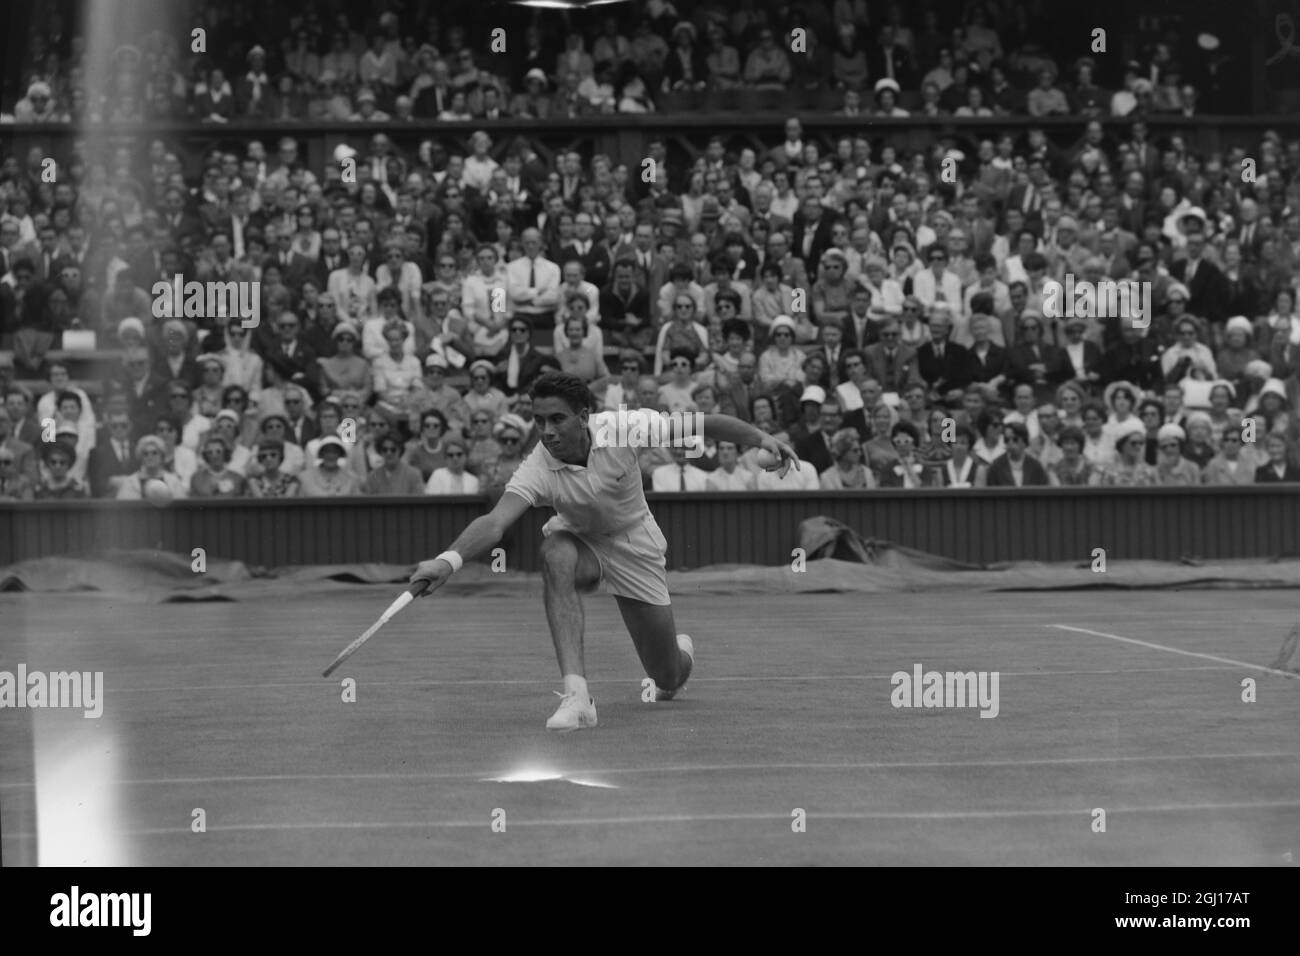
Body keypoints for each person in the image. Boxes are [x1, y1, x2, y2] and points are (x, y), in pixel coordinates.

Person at [408, 372, 798, 731]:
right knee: (554, 554)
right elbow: (495, 522)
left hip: (635, 546)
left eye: (557, 419)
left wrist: (764, 440)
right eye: (540, 421)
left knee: (667, 678)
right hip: (581, 543)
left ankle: (680, 653)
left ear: (584, 416)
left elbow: (704, 424)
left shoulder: (624, 426)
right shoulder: (538, 466)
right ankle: (577, 696)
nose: (548, 432)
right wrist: (448, 560)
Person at [116, 434, 189, 499]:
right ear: (141, 457)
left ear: (162, 456)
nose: (150, 457)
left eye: (154, 453)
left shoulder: (173, 482)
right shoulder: (130, 483)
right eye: (145, 454)